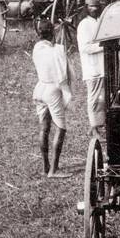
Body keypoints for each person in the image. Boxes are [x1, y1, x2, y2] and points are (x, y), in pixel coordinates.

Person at [31, 19, 72, 177]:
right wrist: (66, 91)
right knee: (61, 127)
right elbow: (62, 76)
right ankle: (54, 170)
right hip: (52, 89)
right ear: (52, 33)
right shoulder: (58, 50)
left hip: (39, 87)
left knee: (44, 127)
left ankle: (45, 166)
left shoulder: (36, 48)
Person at [75, 0, 108, 134]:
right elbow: (85, 48)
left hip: (103, 65)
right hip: (93, 67)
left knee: (104, 97)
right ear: (86, 7)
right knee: (94, 98)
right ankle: (94, 126)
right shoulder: (84, 25)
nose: (94, 9)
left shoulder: (100, 22)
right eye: (91, 6)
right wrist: (103, 46)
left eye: (96, 6)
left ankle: (103, 123)